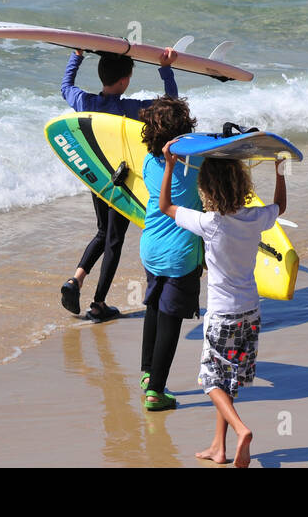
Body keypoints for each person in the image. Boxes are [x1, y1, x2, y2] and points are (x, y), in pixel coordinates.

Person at [158, 144, 288, 466]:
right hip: (251, 314)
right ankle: (219, 447)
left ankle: (241, 429)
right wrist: (279, 171)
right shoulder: (254, 217)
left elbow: (165, 207)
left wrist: (170, 165)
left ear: (207, 187)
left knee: (209, 378)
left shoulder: (209, 223)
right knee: (228, 379)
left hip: (221, 316)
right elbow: (280, 207)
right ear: (240, 183)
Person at [59, 47, 178, 322]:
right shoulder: (130, 108)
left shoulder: (83, 101)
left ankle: (75, 280)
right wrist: (165, 68)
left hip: (98, 176)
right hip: (124, 180)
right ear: (125, 81)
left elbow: (65, 86)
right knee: (114, 239)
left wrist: (76, 56)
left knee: (103, 232)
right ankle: (98, 304)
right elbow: (172, 105)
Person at [137, 96, 202, 412]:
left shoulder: (150, 164)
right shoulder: (195, 166)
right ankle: (156, 392)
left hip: (150, 247)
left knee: (153, 304)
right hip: (180, 254)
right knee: (170, 319)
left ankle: (147, 372)